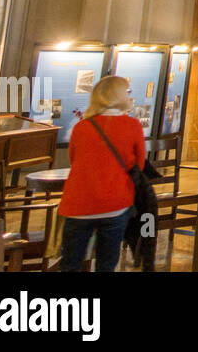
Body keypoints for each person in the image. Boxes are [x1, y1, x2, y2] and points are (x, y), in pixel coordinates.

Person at [58, 76, 145, 272]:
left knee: (70, 263)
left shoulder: (82, 127)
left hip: (79, 203)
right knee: (107, 263)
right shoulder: (132, 126)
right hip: (115, 202)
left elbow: (74, 160)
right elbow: (138, 164)